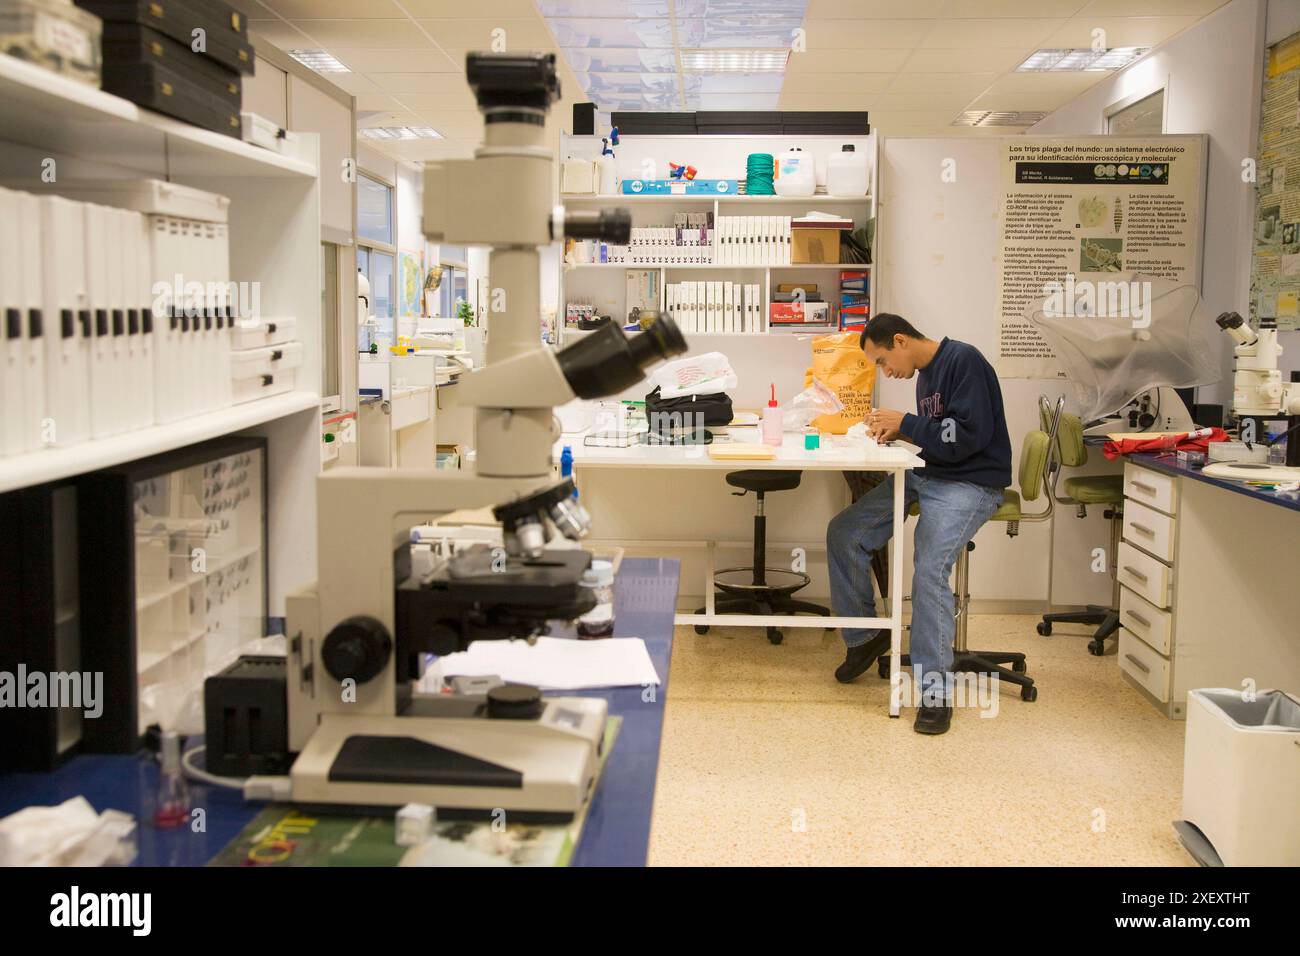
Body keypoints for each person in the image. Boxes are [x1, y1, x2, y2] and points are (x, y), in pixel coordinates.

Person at [826, 314, 1011, 735]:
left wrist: (906, 423)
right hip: (930, 474)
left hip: (971, 483)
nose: (885, 371)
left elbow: (969, 436)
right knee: (845, 532)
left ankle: (935, 695)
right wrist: (900, 434)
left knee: (928, 572)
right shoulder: (925, 375)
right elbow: (939, 437)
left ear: (900, 340)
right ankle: (864, 638)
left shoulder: (964, 361)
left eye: (882, 360)